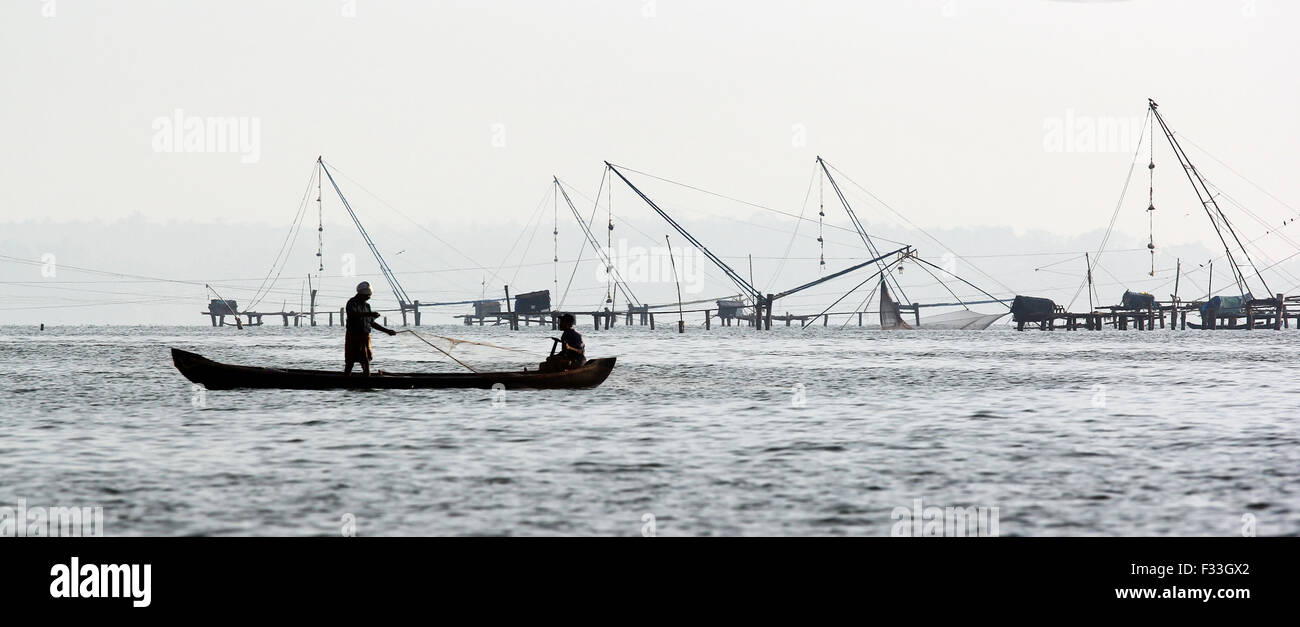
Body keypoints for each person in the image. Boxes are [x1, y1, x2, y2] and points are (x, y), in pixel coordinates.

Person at [344, 281, 396, 375]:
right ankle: (346, 378)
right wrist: (369, 314)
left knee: (365, 360)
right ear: (361, 294)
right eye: (368, 295)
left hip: (365, 336)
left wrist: (387, 331)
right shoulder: (352, 303)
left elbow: (371, 323)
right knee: (350, 361)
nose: (369, 297)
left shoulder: (367, 306)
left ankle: (367, 378)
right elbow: (353, 315)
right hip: (353, 336)